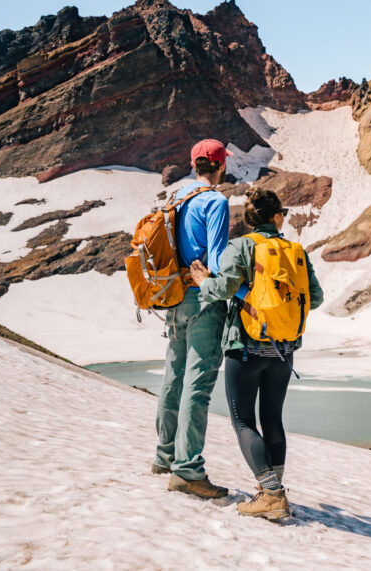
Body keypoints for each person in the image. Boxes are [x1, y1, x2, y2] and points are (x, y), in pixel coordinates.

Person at [190, 188, 323, 521]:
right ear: (276, 217)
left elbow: (222, 289)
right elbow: (316, 298)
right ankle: (270, 490)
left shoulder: (241, 246)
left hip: (245, 346)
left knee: (243, 421)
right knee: (273, 419)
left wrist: (205, 281)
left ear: (250, 219)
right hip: (284, 349)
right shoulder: (296, 251)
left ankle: (272, 496)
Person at [151, 139, 232, 499]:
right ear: (221, 166)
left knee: (174, 374)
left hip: (175, 297)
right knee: (197, 383)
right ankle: (187, 470)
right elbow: (215, 261)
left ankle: (164, 456)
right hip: (202, 298)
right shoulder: (215, 201)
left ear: (193, 163)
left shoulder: (177, 198)